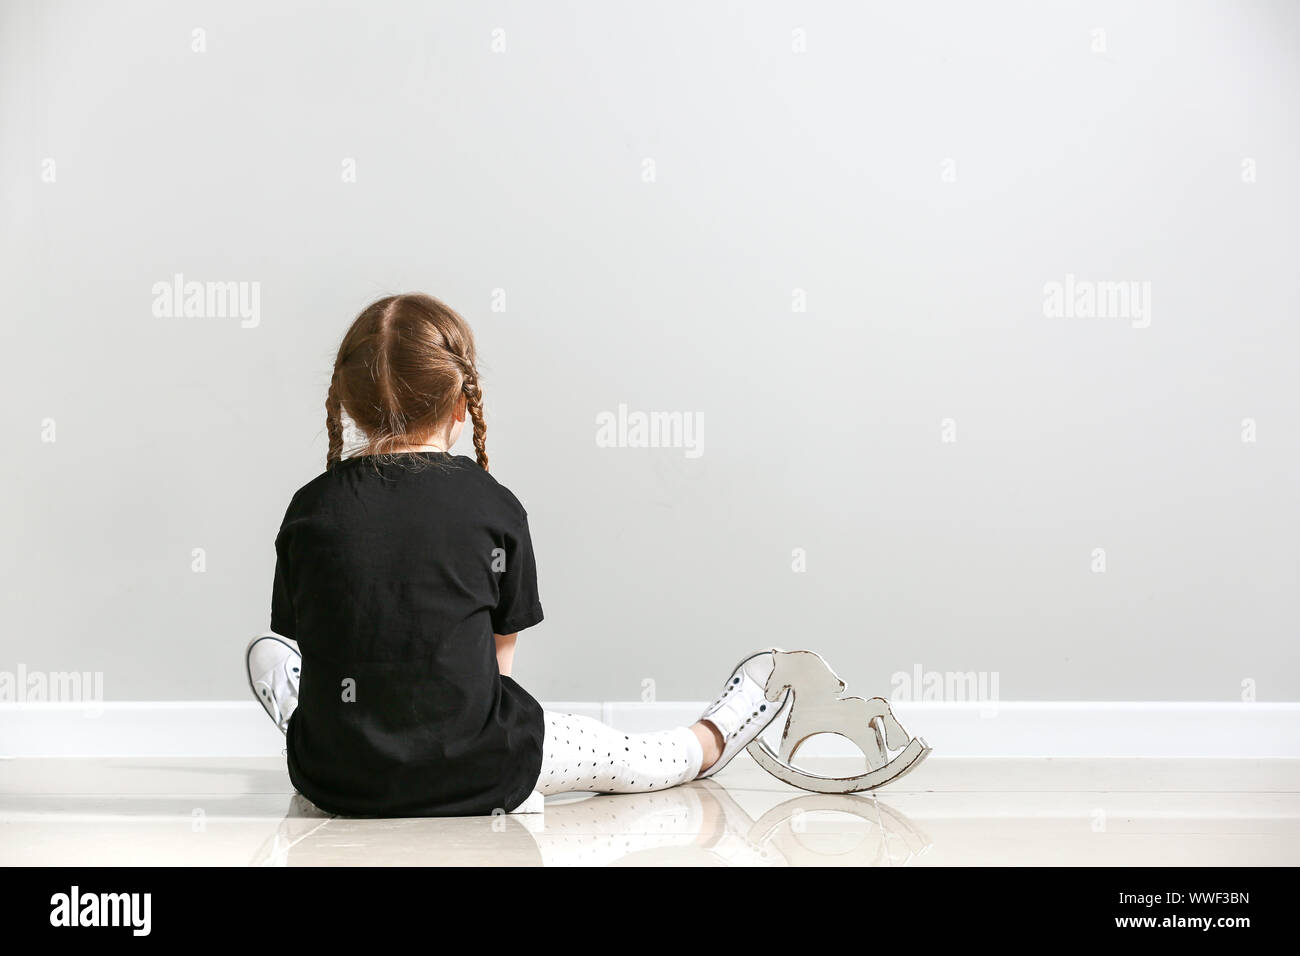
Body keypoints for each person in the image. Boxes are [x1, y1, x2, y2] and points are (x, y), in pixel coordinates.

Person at [245, 293, 787, 816]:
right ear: (461, 403)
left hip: (336, 778)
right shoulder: (493, 505)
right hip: (485, 766)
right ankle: (712, 738)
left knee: (323, 695)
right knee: (623, 755)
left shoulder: (309, 509)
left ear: (349, 406)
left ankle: (306, 710)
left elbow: (316, 635)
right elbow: (502, 657)